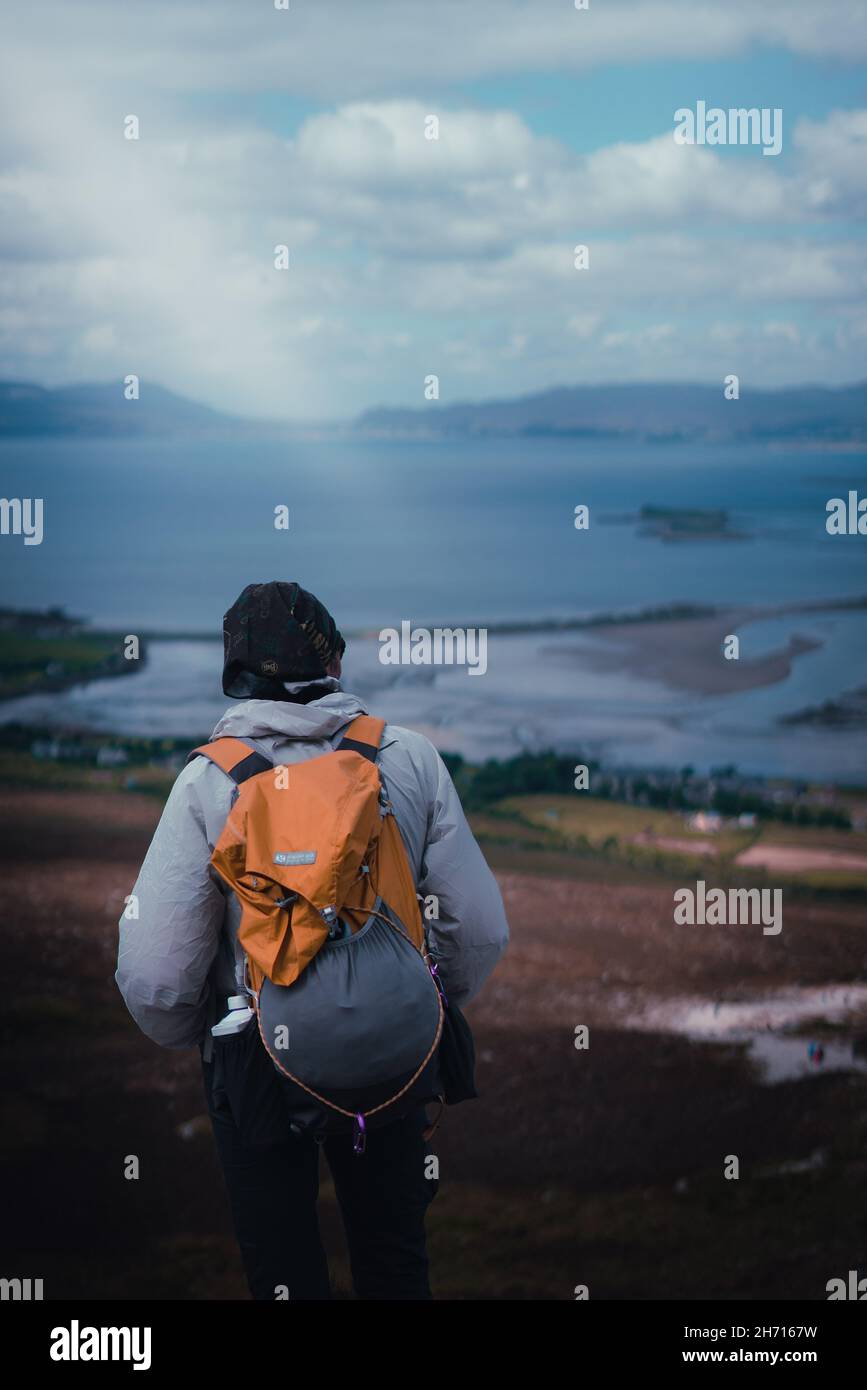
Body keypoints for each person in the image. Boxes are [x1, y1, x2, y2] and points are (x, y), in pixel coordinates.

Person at [116, 580, 509, 1300]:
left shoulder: (209, 783)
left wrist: (207, 1040)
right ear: (334, 664)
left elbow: (156, 975)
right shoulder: (408, 758)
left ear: (235, 672)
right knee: (394, 1262)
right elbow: (479, 926)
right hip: (393, 1051)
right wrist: (413, 996)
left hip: (258, 1065)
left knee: (284, 1275)